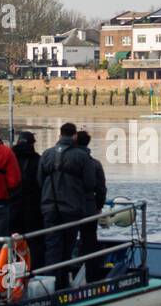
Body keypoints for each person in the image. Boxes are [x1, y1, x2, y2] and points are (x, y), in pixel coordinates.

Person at [38, 122, 97, 289]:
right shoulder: (81, 156)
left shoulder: (46, 154)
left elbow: (40, 180)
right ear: (75, 136)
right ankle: (63, 282)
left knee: (52, 245)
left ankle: (50, 285)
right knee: (68, 245)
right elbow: (90, 183)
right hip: (71, 207)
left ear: (60, 134)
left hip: (49, 207)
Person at [76, 130, 108, 282]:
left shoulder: (69, 161)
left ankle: (73, 270)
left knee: (68, 239)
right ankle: (91, 273)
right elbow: (101, 188)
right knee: (89, 240)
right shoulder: (95, 164)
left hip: (68, 207)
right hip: (89, 208)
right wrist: (99, 206)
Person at [10, 131, 45, 270]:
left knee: (13, 240)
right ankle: (35, 270)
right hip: (33, 206)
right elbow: (42, 182)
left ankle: (12, 271)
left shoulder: (10, 157)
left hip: (13, 204)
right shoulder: (38, 160)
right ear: (32, 144)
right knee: (35, 241)